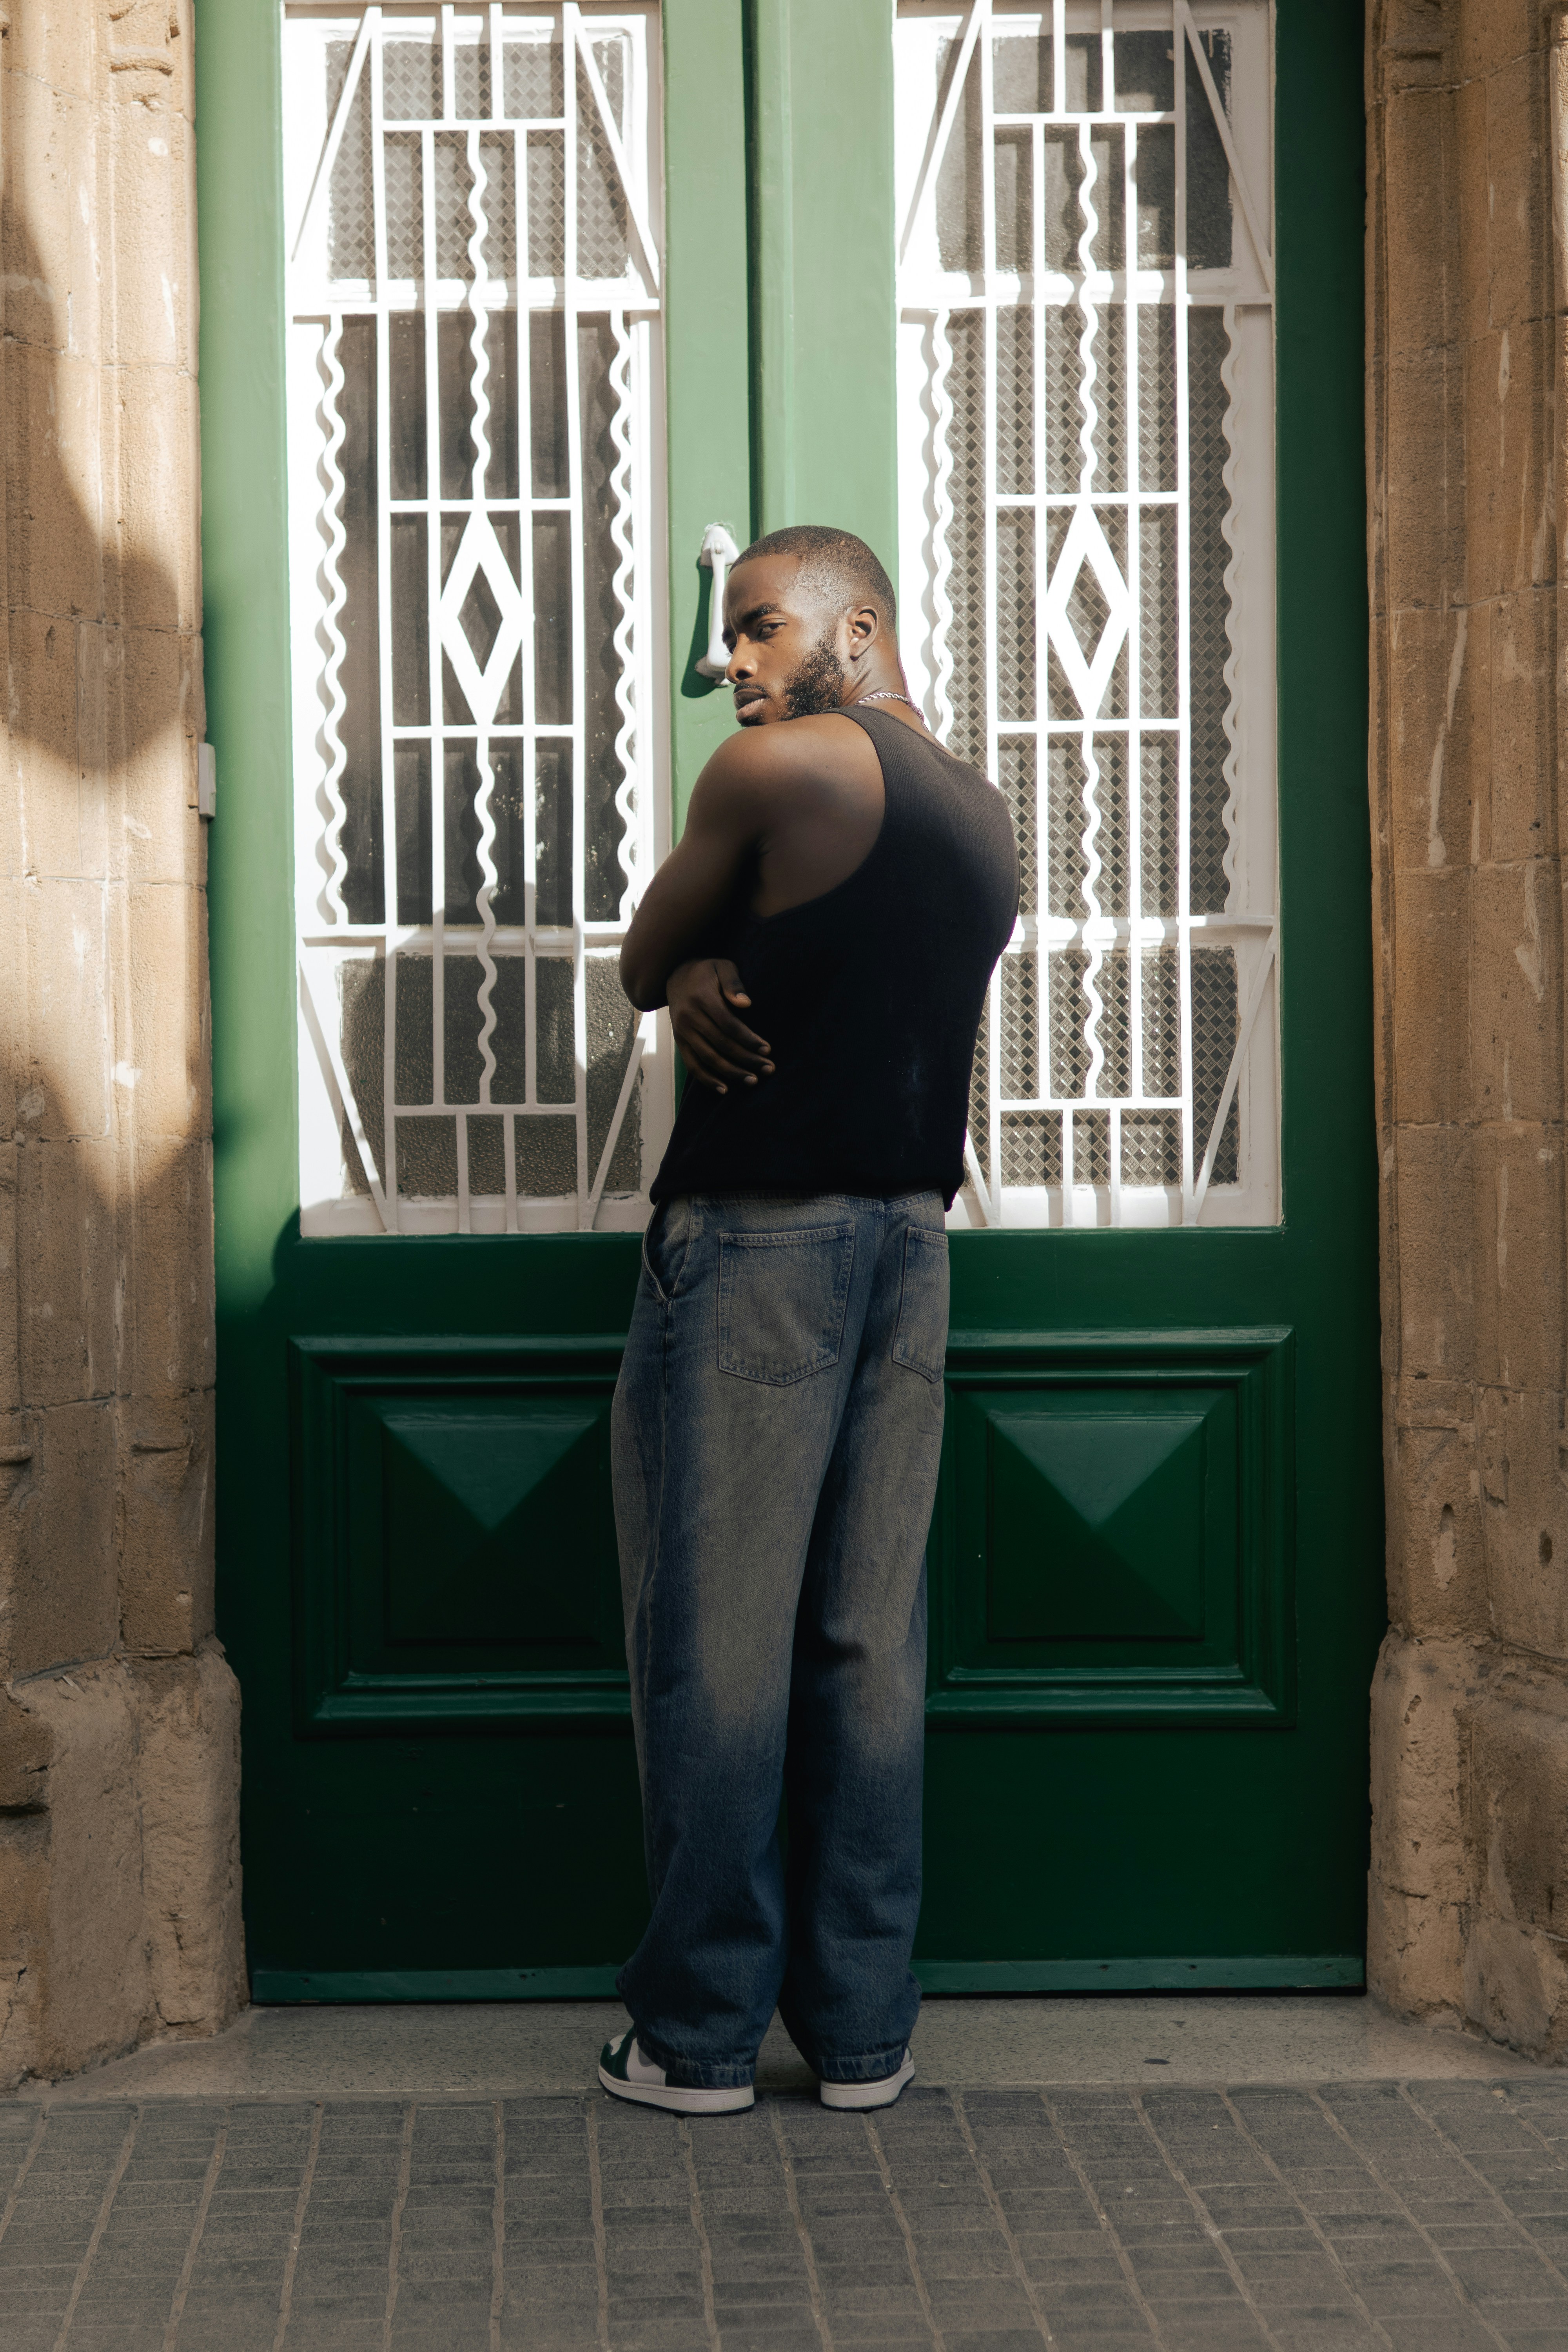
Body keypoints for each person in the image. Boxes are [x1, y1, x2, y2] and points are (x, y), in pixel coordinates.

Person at [599, 524, 1018, 2116]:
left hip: (762, 1253)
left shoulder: (775, 781)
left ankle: (698, 2035)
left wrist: (693, 965)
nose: (736, 667)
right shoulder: (981, 812)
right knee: (865, 1646)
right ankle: (862, 2033)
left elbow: (644, 960)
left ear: (858, 627)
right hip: (914, 1250)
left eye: (762, 628)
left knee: (715, 1650)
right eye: (730, 638)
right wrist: (726, 959)